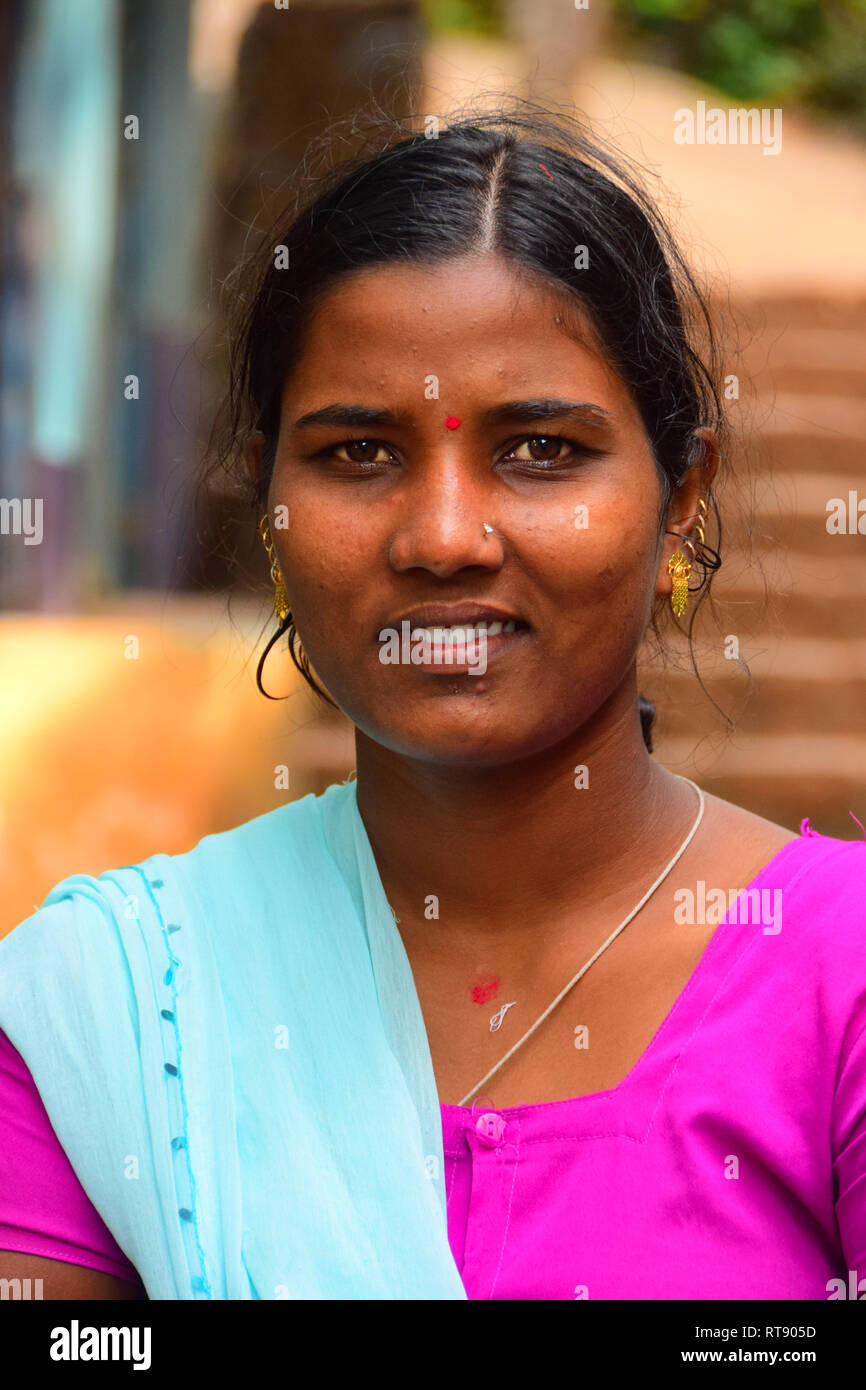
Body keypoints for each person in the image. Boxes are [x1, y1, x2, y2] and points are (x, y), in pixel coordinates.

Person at [1, 109, 864, 1301]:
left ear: (680, 498)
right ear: (269, 506)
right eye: (358, 454)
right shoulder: (110, 1006)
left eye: (540, 450)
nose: (444, 537)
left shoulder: (835, 983)